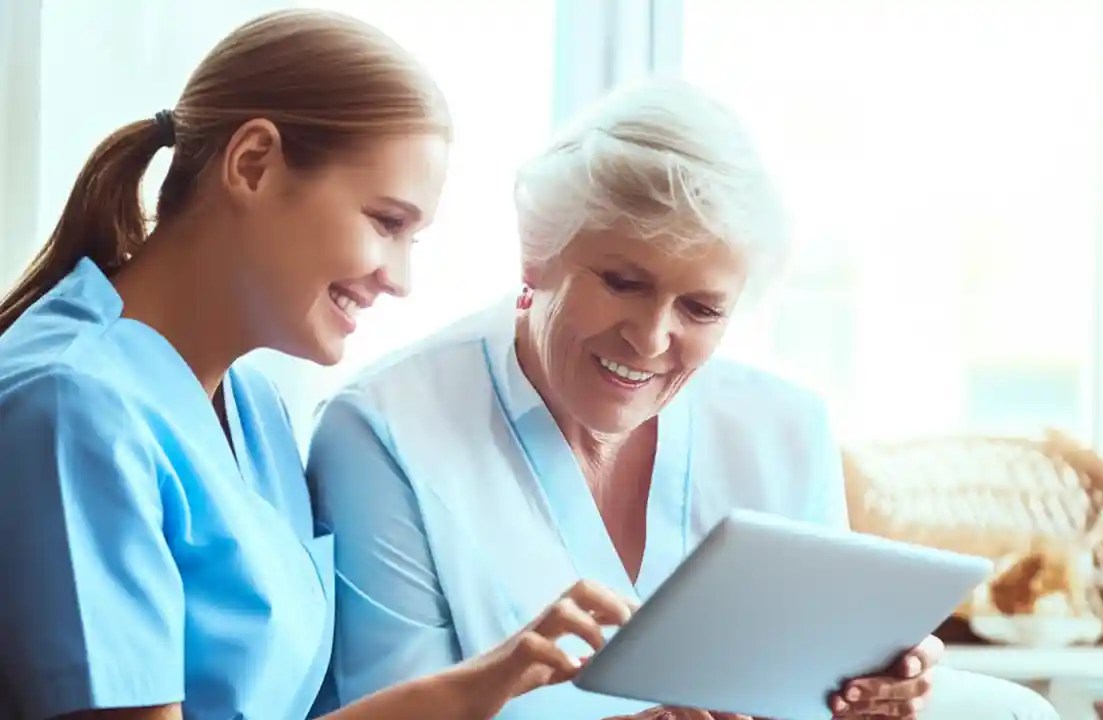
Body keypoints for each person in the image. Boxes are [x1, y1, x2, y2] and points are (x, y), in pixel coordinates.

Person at [306, 79, 1062, 719]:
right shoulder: (384, 427)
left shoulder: (786, 428)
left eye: (700, 309)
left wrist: (876, 687)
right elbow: (394, 706)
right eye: (622, 283)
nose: (649, 338)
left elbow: (811, 685)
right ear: (538, 255)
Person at [0, 10, 636, 720]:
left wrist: (494, 681)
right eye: (386, 223)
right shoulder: (72, 408)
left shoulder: (256, 409)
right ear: (253, 164)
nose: (399, 279)